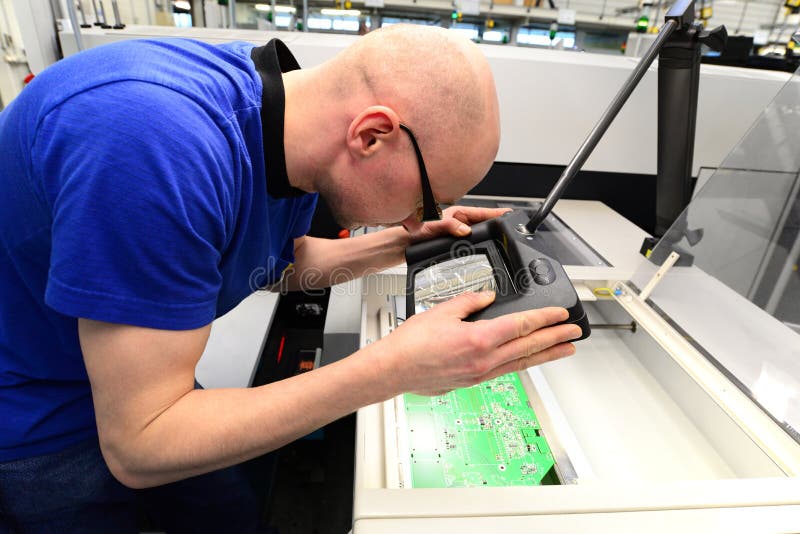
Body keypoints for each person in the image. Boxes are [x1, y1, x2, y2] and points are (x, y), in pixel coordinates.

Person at [0, 24, 581, 531]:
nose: (416, 217)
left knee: (230, 511)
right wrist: (396, 368)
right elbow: (140, 444)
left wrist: (402, 244)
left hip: (140, 379)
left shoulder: (284, 118)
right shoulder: (155, 148)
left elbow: (272, 263)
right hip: (44, 416)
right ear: (371, 135)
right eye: (425, 201)